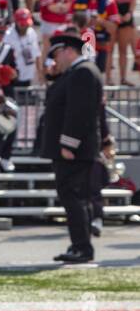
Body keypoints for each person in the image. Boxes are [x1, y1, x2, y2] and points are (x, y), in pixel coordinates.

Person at [41, 33, 103, 264]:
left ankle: (82, 247)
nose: (56, 61)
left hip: (75, 150)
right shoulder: (74, 73)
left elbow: (80, 112)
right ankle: (79, 244)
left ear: (68, 50)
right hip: (75, 149)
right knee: (73, 197)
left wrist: (69, 143)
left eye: (57, 54)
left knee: (73, 196)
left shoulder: (83, 72)